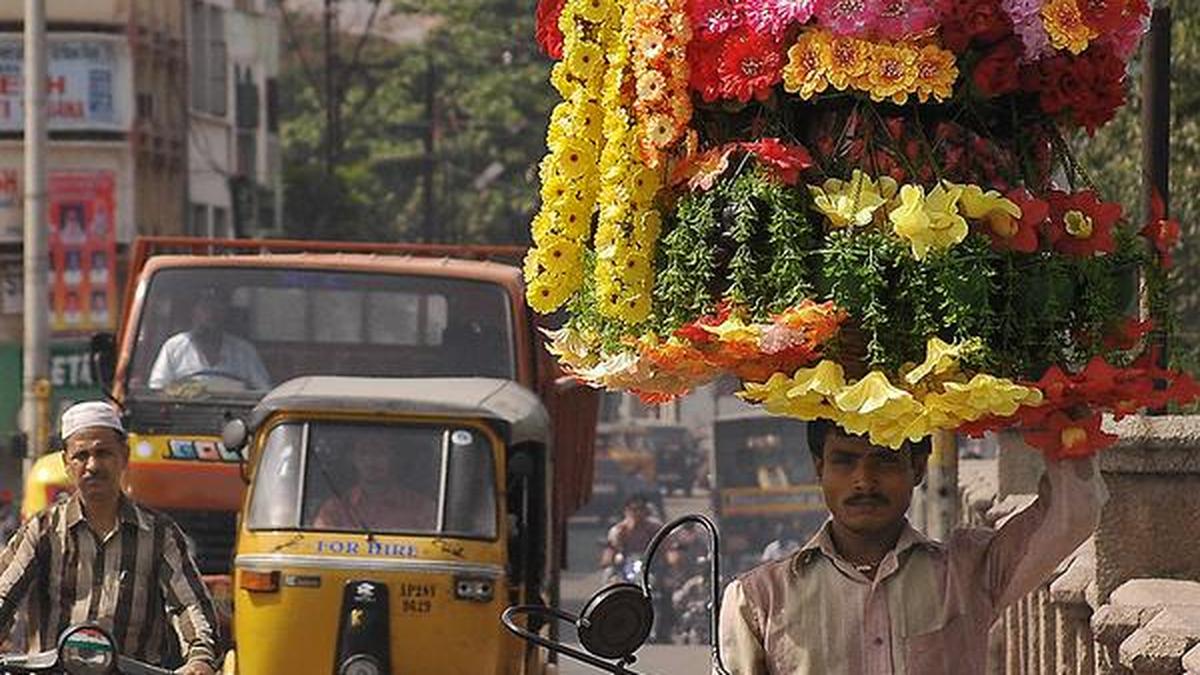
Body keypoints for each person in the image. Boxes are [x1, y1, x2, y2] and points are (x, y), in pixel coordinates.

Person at [718, 419, 1107, 674]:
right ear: (820, 468)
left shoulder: (968, 572)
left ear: (918, 468)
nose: (863, 481)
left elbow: (1074, 511)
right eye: (844, 462)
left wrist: (1062, 408)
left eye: (884, 461)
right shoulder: (757, 601)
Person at [0, 402, 218, 674]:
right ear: (67, 463)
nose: (92, 465)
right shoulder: (42, 529)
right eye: (81, 455)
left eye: (103, 453)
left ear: (124, 457)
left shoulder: (160, 534)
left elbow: (190, 605)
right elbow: (4, 592)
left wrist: (200, 658)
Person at [312, 432, 438, 532]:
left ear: (394, 458)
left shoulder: (422, 508)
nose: (371, 461)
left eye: (380, 453)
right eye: (364, 453)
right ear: (353, 459)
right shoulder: (334, 509)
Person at [148, 288, 270, 390]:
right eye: (205, 307)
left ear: (225, 314)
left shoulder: (244, 351)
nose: (211, 314)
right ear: (193, 312)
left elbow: (263, 392)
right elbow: (157, 389)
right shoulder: (173, 348)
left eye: (216, 308)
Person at [601, 495, 664, 570]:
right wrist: (610, 557)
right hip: (624, 566)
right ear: (626, 511)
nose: (638, 513)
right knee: (609, 573)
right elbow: (611, 549)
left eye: (641, 509)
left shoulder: (655, 527)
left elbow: (665, 545)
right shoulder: (618, 530)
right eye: (633, 510)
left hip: (650, 566)